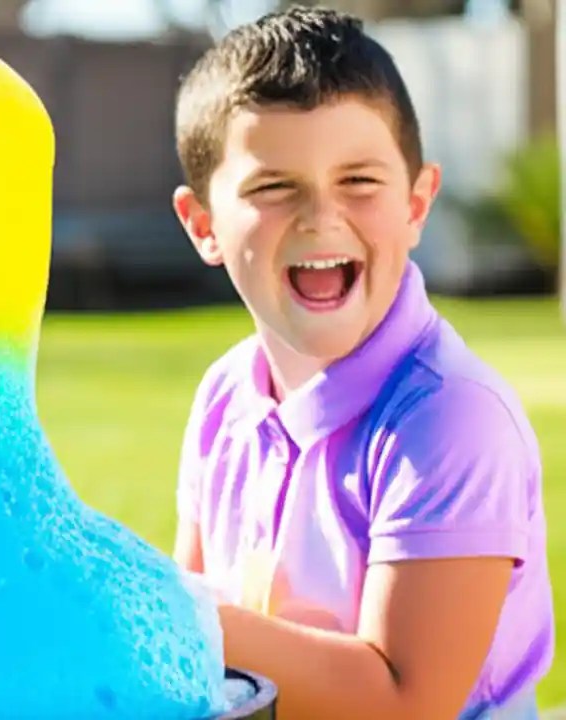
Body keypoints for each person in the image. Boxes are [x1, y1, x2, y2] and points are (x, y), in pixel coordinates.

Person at [169, 7, 552, 719]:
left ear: (416, 204)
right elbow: (193, 674)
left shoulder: (450, 418)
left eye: (359, 182)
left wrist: (166, 612)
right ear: (204, 225)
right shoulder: (224, 397)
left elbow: (407, 701)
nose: (321, 217)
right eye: (273, 187)